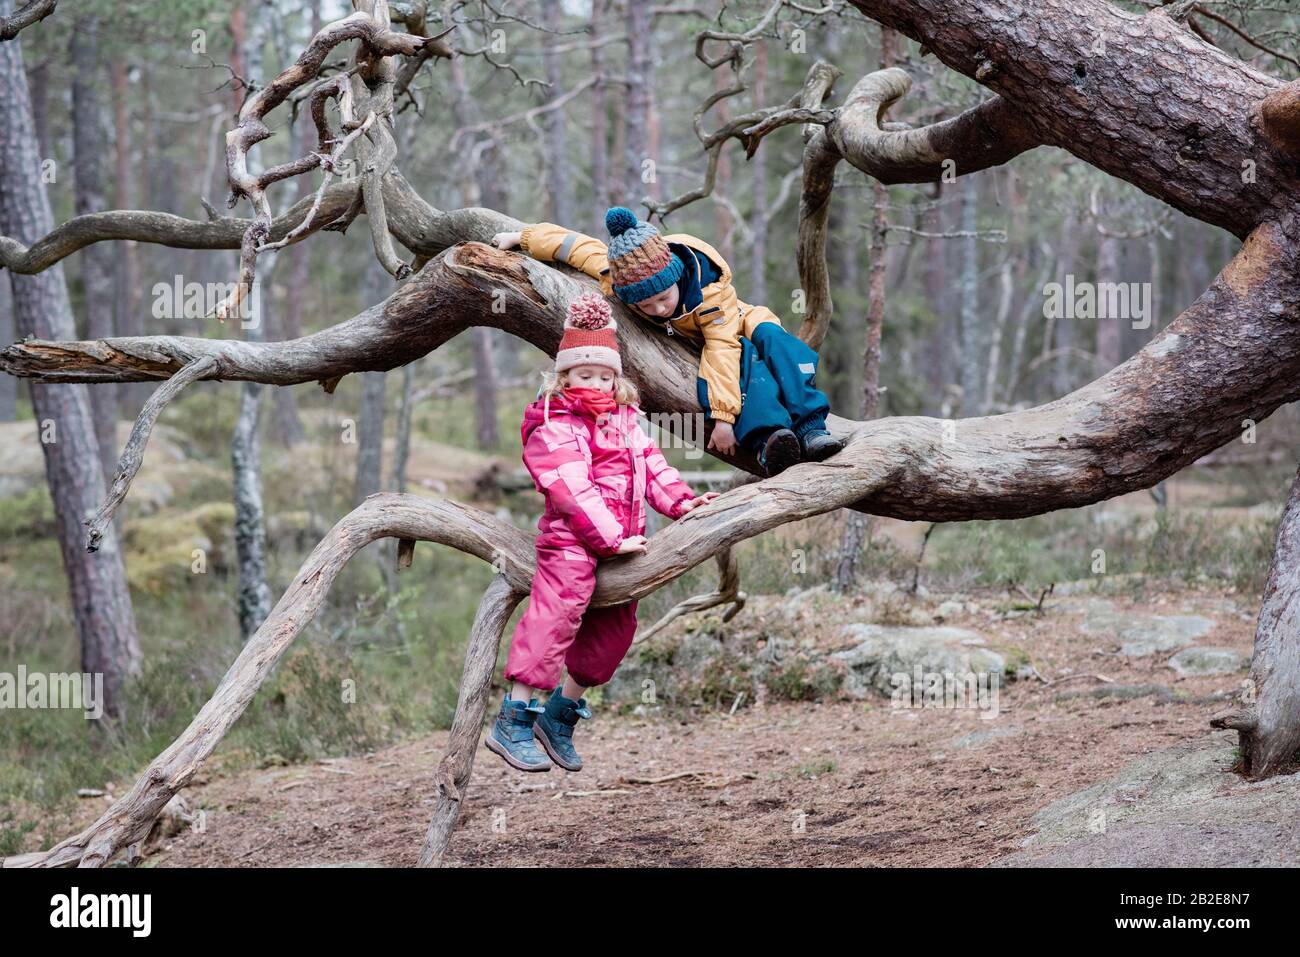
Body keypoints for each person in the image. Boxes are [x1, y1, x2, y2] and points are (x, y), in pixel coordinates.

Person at [488, 292, 719, 772]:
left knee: (617, 629)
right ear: (565, 376)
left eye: (605, 375)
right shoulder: (554, 419)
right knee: (558, 611)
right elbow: (572, 488)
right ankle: (514, 717)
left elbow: (652, 467)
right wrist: (610, 539)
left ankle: (559, 715)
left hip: (623, 543)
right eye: (584, 374)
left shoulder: (626, 417)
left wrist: (681, 502)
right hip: (573, 541)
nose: (595, 383)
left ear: (617, 378)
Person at [493, 206, 845, 476]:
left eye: (664, 298)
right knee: (752, 374)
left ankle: (812, 427)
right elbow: (574, 246)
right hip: (706, 346)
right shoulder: (621, 275)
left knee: (770, 345)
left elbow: (722, 349)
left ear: (677, 277)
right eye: (646, 305)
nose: (659, 309)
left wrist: (722, 419)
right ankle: (771, 442)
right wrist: (521, 238)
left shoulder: (709, 293)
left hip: (738, 325)